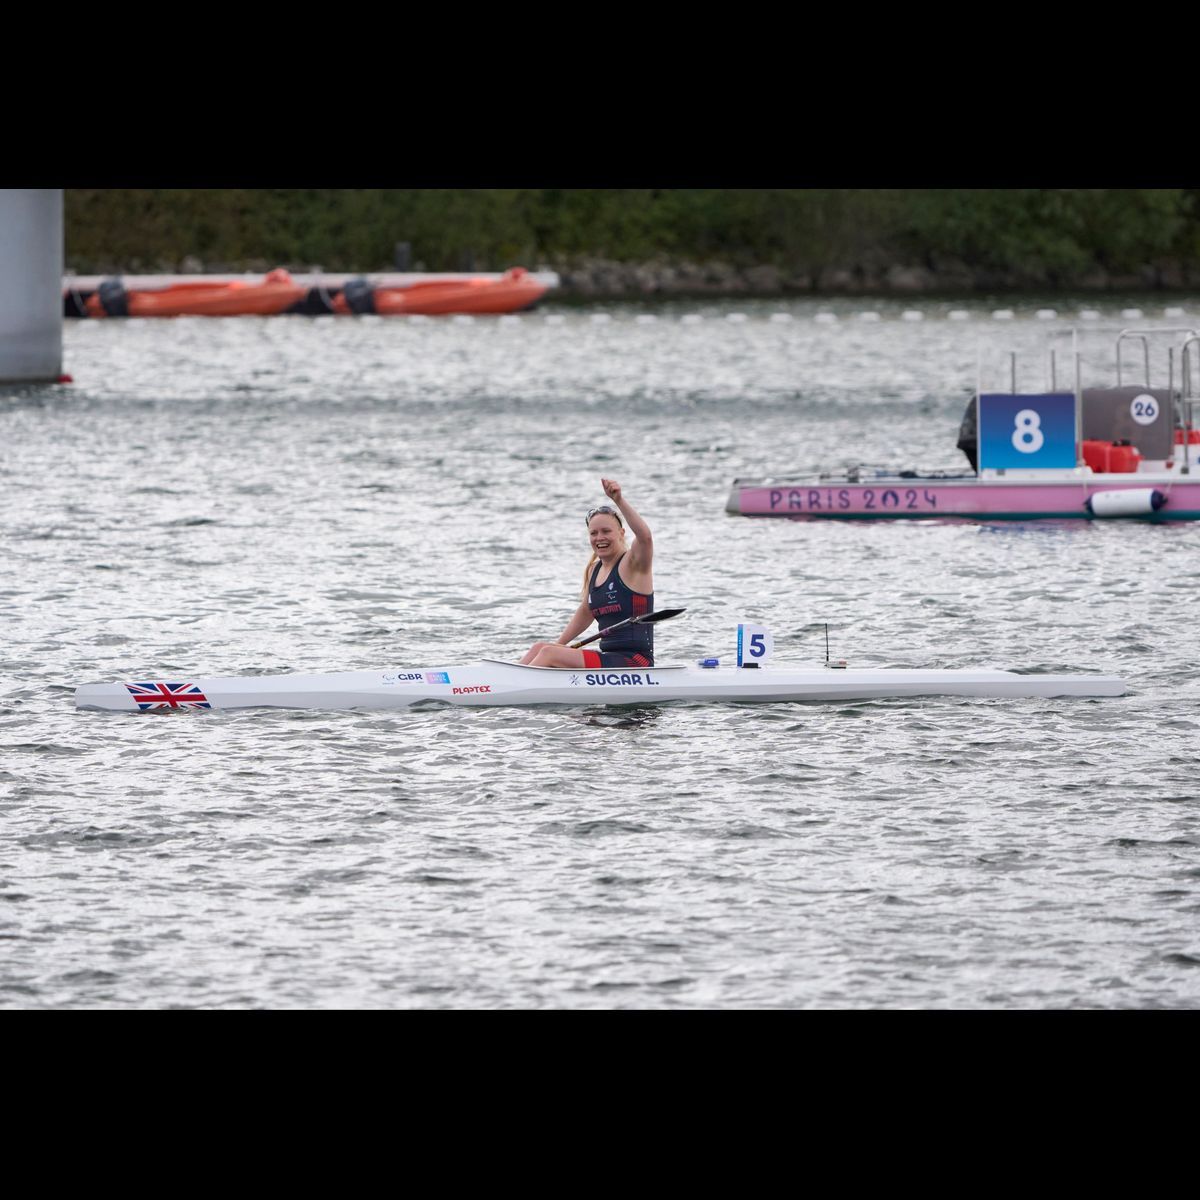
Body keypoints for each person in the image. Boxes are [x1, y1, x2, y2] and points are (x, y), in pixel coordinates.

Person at [520, 478, 655, 669]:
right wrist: (559, 645)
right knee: (540, 648)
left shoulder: (633, 563)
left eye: (606, 531)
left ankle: (511, 685)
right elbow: (585, 611)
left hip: (635, 662)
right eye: (594, 533)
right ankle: (499, 680)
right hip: (610, 658)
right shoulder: (594, 570)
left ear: (621, 533)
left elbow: (645, 537)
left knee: (548, 653)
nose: (599, 538)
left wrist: (618, 500)